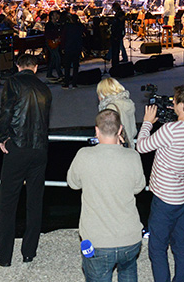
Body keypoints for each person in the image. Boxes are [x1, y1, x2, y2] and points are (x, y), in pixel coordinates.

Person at [67, 109, 147, 282]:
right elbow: (138, 187)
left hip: (98, 242)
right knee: (128, 272)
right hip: (130, 240)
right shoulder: (132, 156)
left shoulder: (84, 155)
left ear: (96, 130)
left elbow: (73, 184)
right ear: (120, 130)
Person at [136, 84, 184, 282]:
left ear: (182, 105)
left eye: (175, 101)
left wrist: (147, 122)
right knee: (180, 242)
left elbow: (142, 146)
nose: (172, 103)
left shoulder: (170, 130)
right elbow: (181, 127)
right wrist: (174, 114)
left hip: (165, 199)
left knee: (157, 247)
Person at [0, 53, 53, 267]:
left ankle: (5, 256)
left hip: (17, 148)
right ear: (36, 68)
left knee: (8, 203)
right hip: (39, 150)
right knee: (34, 203)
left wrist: (1, 138)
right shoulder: (45, 89)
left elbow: (6, 113)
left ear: (18, 66)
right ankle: (29, 252)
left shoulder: (14, 83)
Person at [97, 77, 137, 148]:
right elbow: (133, 131)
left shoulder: (111, 108)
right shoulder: (128, 103)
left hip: (116, 147)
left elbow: (108, 135)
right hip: (130, 145)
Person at [60, 11, 84, 89]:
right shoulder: (80, 26)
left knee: (67, 66)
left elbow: (63, 38)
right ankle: (74, 83)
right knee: (75, 65)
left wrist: (62, 47)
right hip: (77, 47)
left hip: (68, 47)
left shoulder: (67, 26)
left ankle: (66, 83)